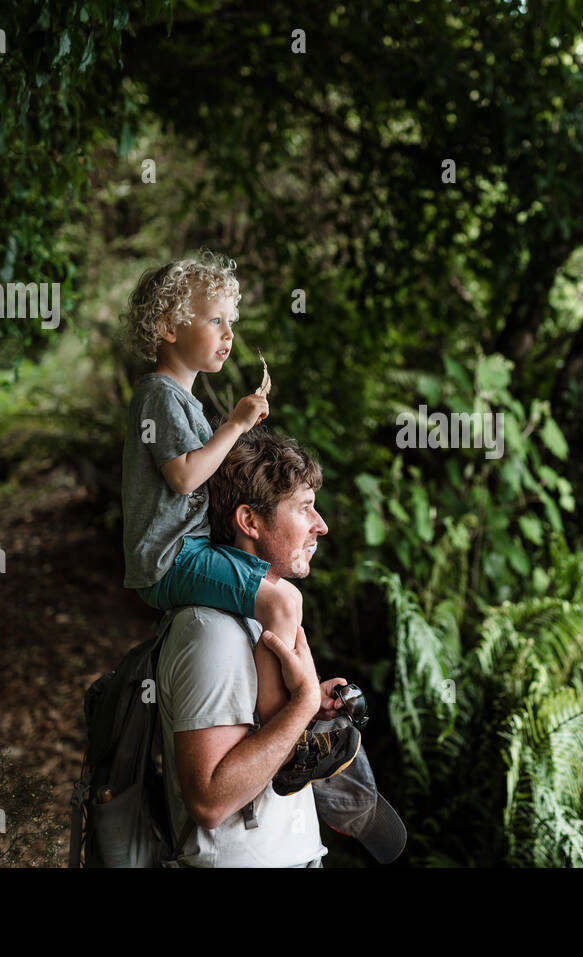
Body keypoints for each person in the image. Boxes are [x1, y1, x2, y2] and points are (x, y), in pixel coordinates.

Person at [119, 250, 358, 796]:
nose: (228, 334)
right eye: (215, 320)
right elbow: (184, 477)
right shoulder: (159, 394)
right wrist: (235, 423)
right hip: (171, 557)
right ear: (167, 326)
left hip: (187, 548)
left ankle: (303, 699)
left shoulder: (182, 399)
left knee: (274, 595)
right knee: (281, 601)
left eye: (231, 322)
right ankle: (292, 735)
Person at [154, 428, 346, 867]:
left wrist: (311, 711)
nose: (321, 525)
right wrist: (303, 705)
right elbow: (208, 801)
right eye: (304, 508)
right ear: (250, 522)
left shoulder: (260, 616)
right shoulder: (210, 632)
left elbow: (257, 736)